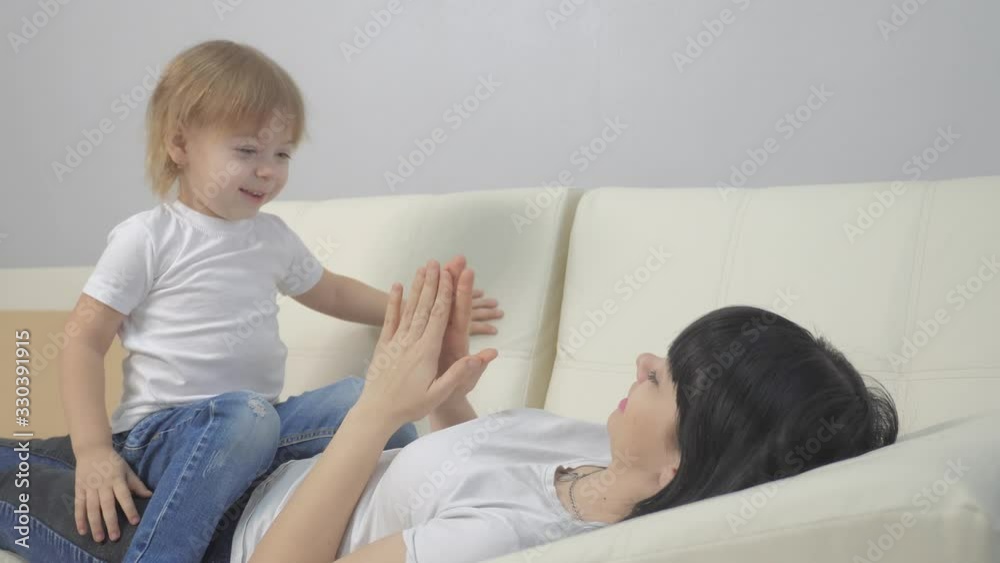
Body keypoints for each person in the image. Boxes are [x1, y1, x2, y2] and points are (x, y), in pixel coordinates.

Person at [0, 40, 503, 563]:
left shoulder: (272, 237)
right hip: (163, 436)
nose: (268, 170)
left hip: (256, 436)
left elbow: (331, 291)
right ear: (179, 145)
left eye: (281, 154)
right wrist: (94, 451)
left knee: (366, 402)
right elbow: (83, 339)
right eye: (247, 151)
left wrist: (424, 315)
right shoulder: (149, 237)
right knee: (246, 414)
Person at [227, 260, 899, 563]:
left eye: (663, 380)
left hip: (223, 522)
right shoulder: (610, 460)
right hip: (286, 463)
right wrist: (445, 393)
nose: (642, 361)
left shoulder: (505, 547)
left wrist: (377, 409)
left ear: (679, 462)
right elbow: (465, 486)